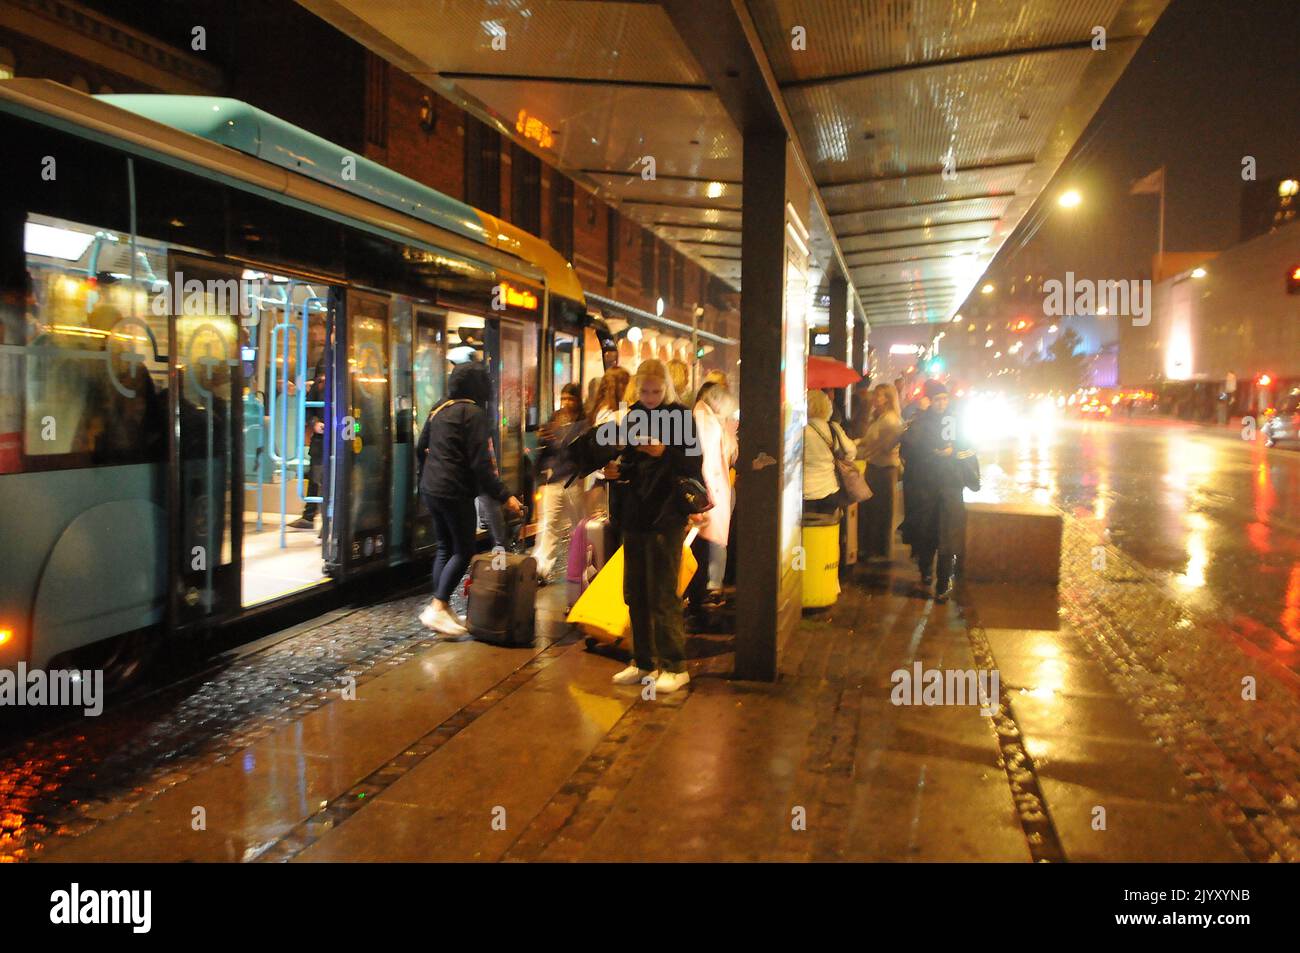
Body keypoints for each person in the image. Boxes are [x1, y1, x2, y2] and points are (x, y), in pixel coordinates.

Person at [575, 359, 705, 693]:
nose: (649, 398)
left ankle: (674, 665)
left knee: (662, 593)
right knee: (635, 592)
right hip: (635, 513)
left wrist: (664, 451)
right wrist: (617, 471)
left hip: (666, 515)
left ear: (666, 389)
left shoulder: (680, 416)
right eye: (644, 391)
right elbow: (629, 462)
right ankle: (643, 661)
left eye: (656, 391)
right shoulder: (630, 415)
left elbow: (693, 462)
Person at [416, 362, 523, 635]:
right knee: (463, 551)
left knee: (444, 547)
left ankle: (443, 608)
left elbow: (420, 446)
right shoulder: (473, 414)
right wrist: (505, 496)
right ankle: (438, 606)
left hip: (432, 488)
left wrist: (427, 474)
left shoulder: (439, 407)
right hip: (454, 490)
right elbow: (481, 464)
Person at [898, 380, 971, 602]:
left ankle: (942, 583)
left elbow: (969, 448)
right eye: (937, 399)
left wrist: (953, 450)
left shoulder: (956, 421)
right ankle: (926, 571)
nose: (941, 403)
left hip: (950, 488)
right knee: (927, 533)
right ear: (929, 400)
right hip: (926, 488)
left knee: (948, 536)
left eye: (944, 399)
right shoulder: (920, 421)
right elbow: (907, 449)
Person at [687, 380, 737, 611]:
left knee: (704, 548)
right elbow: (706, 463)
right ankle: (703, 597)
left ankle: (703, 595)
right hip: (710, 495)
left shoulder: (705, 418)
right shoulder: (705, 421)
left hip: (711, 495)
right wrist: (705, 500)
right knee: (703, 549)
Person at [531, 383, 587, 582]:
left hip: (574, 480)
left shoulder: (584, 422)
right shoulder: (555, 419)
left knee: (579, 527)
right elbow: (545, 451)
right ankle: (540, 569)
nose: (566, 403)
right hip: (554, 480)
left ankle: (581, 569)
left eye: (570, 398)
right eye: (563, 398)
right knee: (549, 525)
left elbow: (580, 450)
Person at [856, 383, 905, 562]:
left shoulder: (891, 420)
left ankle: (880, 551)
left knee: (882, 510)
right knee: (871, 509)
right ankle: (870, 548)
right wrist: (859, 442)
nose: (876, 398)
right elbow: (871, 440)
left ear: (889, 399)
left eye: (880, 396)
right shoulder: (879, 417)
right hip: (874, 466)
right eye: (875, 395)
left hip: (884, 469)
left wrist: (861, 449)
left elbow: (884, 446)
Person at [803, 388, 855, 516]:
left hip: (805, 492)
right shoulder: (833, 427)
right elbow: (851, 450)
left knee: (807, 532)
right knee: (829, 530)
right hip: (830, 490)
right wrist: (844, 461)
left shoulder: (800, 430)